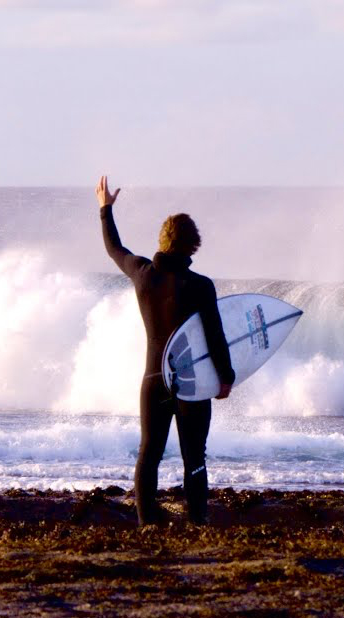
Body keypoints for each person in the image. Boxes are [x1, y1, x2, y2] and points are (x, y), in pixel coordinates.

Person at [96, 175, 234, 526]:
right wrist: (226, 377)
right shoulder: (200, 286)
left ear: (163, 240)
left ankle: (146, 524)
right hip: (190, 383)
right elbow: (215, 336)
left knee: (149, 454)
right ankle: (197, 520)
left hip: (154, 379)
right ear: (193, 244)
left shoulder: (143, 274)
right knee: (194, 457)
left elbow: (115, 249)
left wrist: (105, 210)